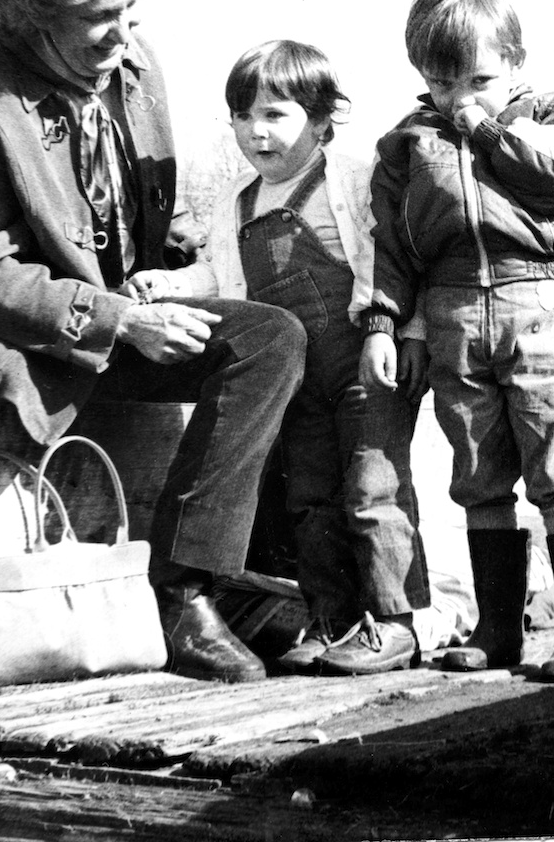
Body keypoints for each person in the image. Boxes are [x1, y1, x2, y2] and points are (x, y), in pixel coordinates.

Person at [0, 0, 306, 684]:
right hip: (40, 337)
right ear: (40, 14)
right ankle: (189, 605)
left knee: (274, 336)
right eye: (101, 17)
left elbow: (148, 209)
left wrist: (188, 263)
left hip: (133, 310)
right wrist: (120, 319)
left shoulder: (135, 65)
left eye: (132, 11)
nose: (124, 34)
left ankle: (202, 586)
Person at [128, 39, 433, 675]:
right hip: (296, 379)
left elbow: (398, 264)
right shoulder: (236, 199)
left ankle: (394, 622)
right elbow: (223, 277)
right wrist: (172, 284)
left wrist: (403, 333)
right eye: (242, 116)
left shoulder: (353, 181)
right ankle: (331, 621)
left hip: (361, 362)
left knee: (373, 488)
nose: (255, 132)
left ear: (321, 120)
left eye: (274, 115)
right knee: (310, 498)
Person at [358, 0, 554, 682]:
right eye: (442, 85)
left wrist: (487, 129)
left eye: (479, 80)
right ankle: (499, 630)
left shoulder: (546, 119)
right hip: (453, 311)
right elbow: (392, 245)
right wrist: (384, 324)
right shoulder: (405, 145)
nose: (458, 98)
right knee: (478, 474)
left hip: (537, 299)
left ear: (515, 62)